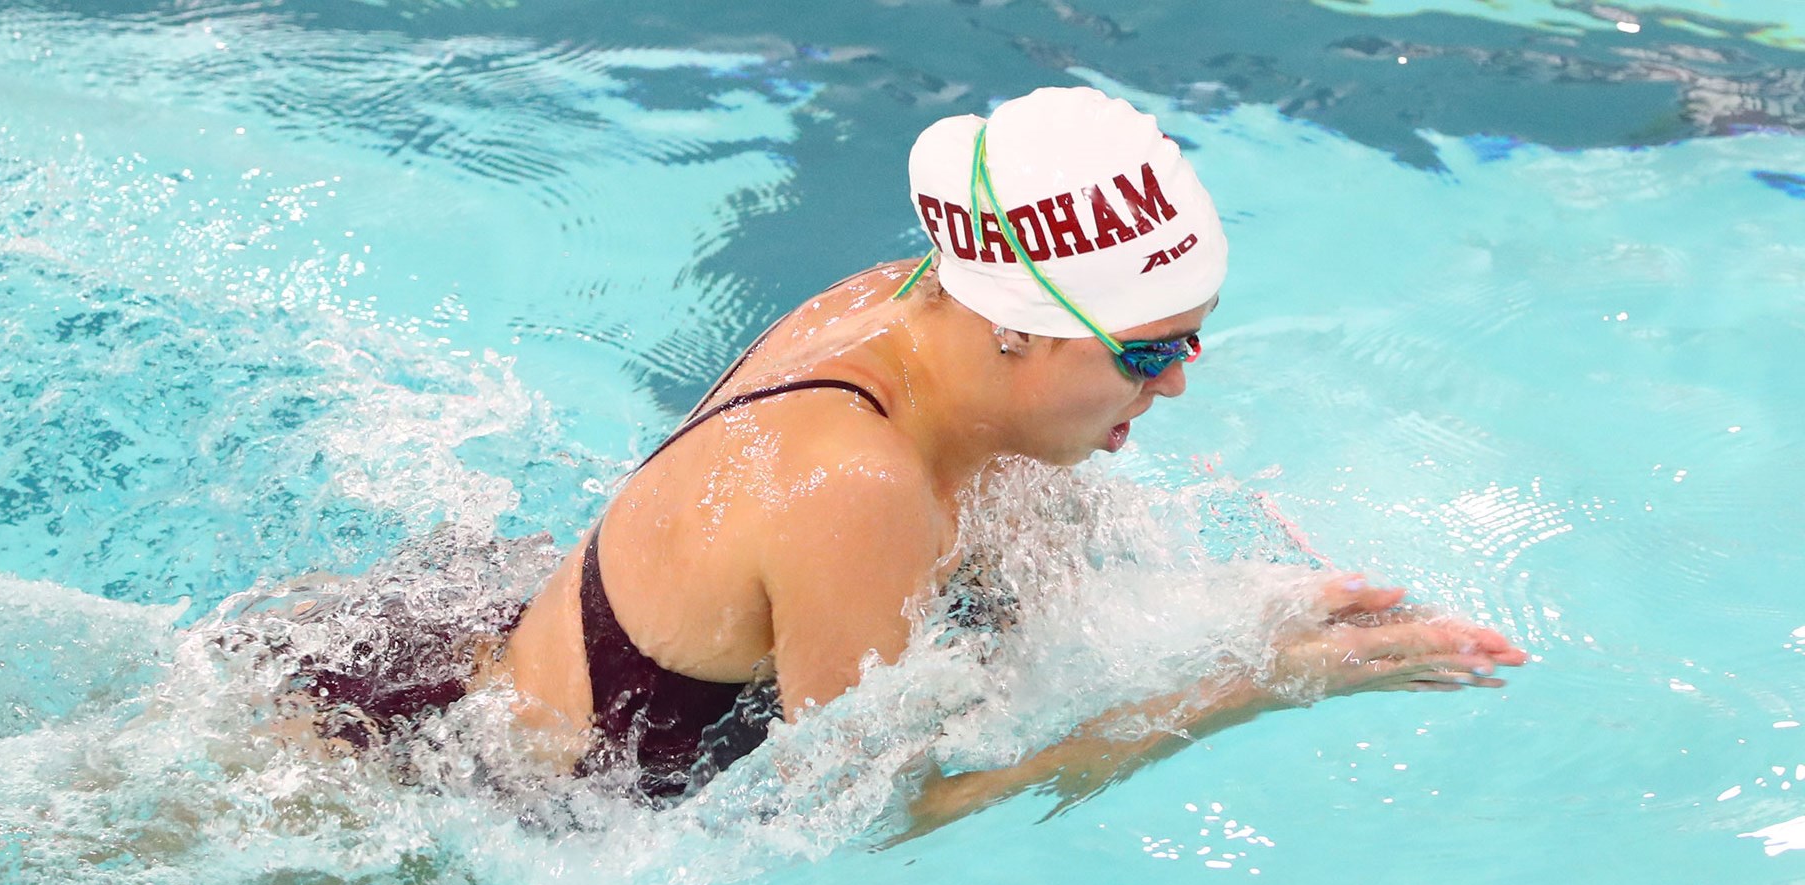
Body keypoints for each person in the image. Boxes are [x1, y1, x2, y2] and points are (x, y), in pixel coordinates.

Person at [468, 86, 1524, 824]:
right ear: (1014, 326)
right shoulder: (852, 482)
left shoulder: (920, 315)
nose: (1176, 382)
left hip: (488, 648)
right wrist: (1248, 690)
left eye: (1190, 336)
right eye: (1146, 350)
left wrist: (1250, 614)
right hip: (475, 801)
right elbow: (876, 813)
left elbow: (1021, 592)